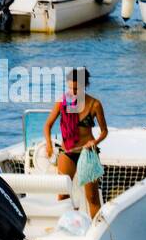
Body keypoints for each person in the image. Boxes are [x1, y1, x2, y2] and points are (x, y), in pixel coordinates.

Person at [44, 68, 107, 218]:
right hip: (68, 152)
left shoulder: (95, 104)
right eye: (70, 87)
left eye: (76, 88)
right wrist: (49, 144)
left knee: (92, 197)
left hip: (88, 154)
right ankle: (68, 226)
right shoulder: (62, 103)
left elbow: (105, 131)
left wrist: (95, 141)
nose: (73, 91)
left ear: (84, 85)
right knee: (63, 195)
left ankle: (95, 229)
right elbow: (47, 125)